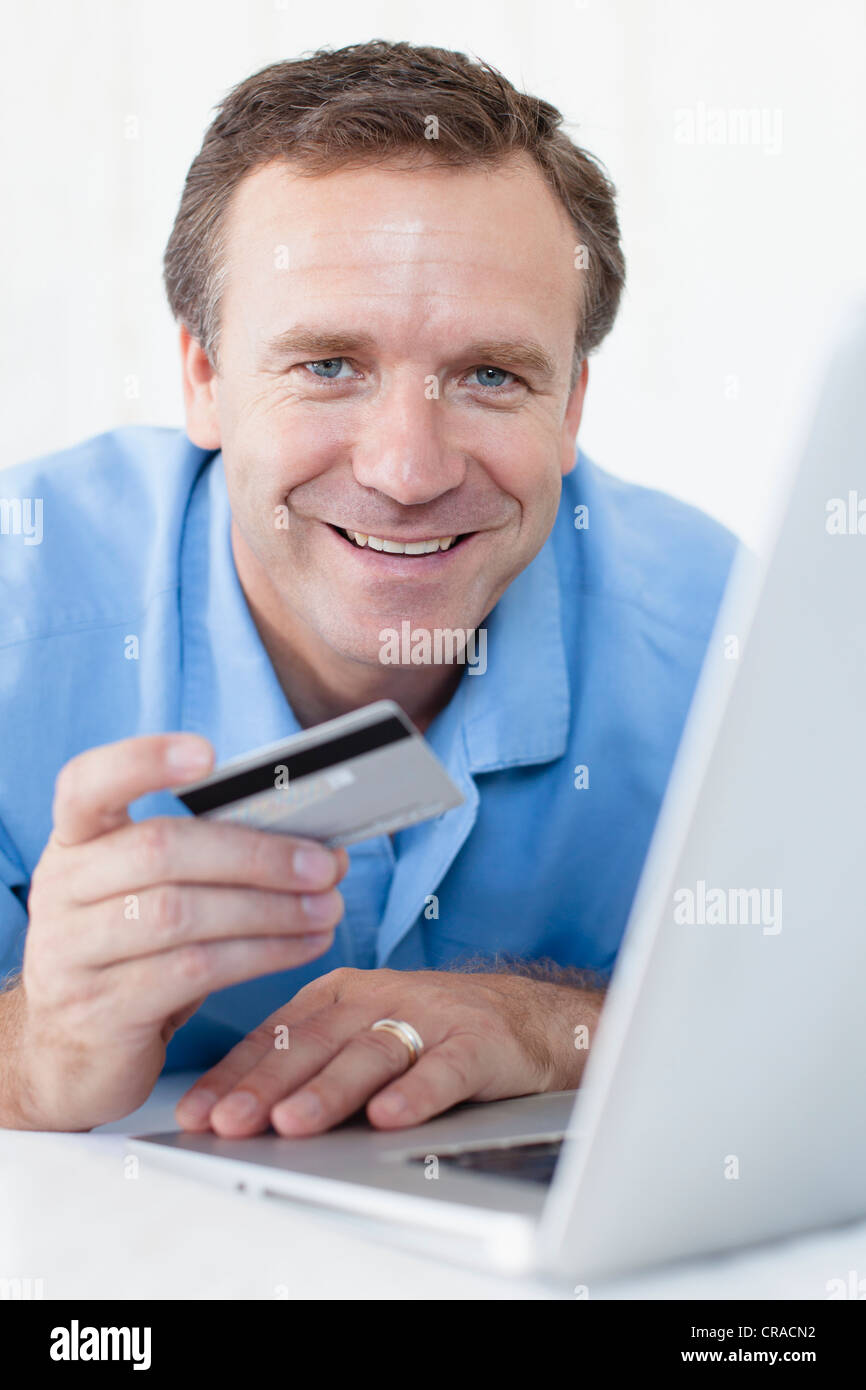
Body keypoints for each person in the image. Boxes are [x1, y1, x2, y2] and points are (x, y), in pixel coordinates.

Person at [0, 41, 735, 1136]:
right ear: (203, 378)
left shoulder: (729, 644)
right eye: (326, 365)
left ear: (569, 407)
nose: (406, 470)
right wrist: (34, 1052)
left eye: (490, 375)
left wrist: (552, 1027)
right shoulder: (23, 613)